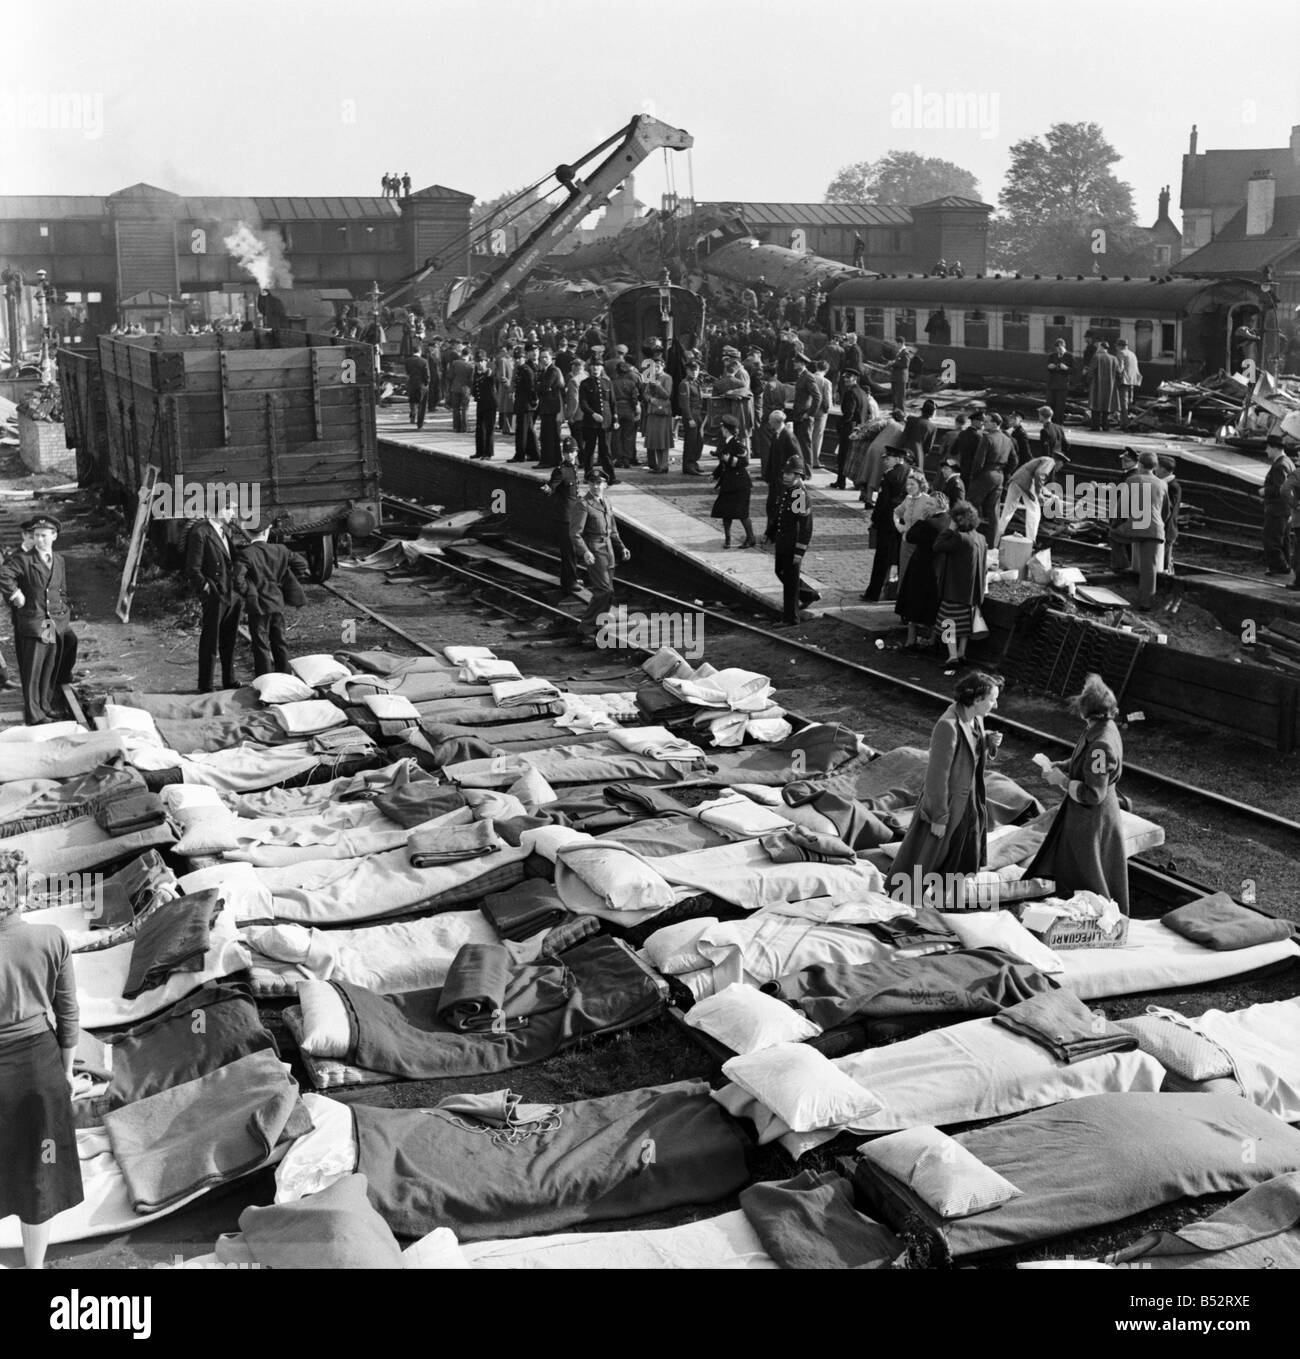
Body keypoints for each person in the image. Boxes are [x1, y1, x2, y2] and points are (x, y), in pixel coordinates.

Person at [0, 857, 84, 1269]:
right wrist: (66, 1073)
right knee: (39, 1173)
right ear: (21, 893)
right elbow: (68, 1015)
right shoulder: (51, 938)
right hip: (40, 1070)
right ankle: (34, 1267)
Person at [888, 670, 1003, 904]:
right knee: (929, 856)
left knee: (962, 854)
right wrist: (938, 816)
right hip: (948, 804)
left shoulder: (975, 718)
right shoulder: (947, 726)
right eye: (992, 699)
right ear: (977, 699)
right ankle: (904, 900)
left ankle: (945, 902)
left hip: (969, 801)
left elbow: (970, 747)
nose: (996, 705)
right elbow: (937, 776)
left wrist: (988, 741)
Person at [1024, 673, 1129, 914]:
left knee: (1087, 874)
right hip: (1086, 817)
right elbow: (1087, 763)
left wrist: (1062, 780)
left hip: (1091, 820)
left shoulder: (1101, 744)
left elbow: (1093, 793)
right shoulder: (1103, 729)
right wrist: (1064, 765)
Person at [0, 515, 77, 724]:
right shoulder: (23, 559)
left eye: (43, 535)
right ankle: (34, 715)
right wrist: (15, 593)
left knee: (47, 666)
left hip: (50, 622)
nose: (39, 540)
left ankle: (44, 706)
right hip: (34, 621)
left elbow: (61, 589)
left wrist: (62, 610)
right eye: (36, 535)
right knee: (33, 669)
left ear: (54, 536)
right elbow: (3, 574)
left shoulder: (58, 560)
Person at [232, 522, 307, 677]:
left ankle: (265, 678)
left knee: (260, 645)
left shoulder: (246, 554)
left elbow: (237, 579)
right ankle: (285, 676)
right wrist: (286, 578)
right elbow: (301, 564)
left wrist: (248, 592)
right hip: (277, 602)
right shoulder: (281, 550)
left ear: (248, 534)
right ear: (266, 532)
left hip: (258, 605)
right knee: (280, 642)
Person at [184, 495, 242, 692]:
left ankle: (229, 679)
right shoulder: (200, 532)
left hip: (231, 593)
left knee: (229, 639)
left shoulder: (225, 531)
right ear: (218, 511)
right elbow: (193, 568)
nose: (233, 513)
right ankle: (206, 684)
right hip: (216, 594)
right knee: (210, 640)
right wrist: (207, 588)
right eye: (229, 509)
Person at [570, 471, 628, 641]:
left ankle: (598, 624)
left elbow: (613, 529)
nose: (595, 486)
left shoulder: (607, 502)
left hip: (608, 550)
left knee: (609, 592)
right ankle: (585, 627)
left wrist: (621, 547)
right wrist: (585, 551)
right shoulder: (583, 504)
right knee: (603, 590)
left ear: (605, 485)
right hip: (595, 550)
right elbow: (575, 533)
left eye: (598, 483)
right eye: (592, 483)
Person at [933, 499, 988, 674]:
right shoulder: (981, 538)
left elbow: (937, 546)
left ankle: (952, 656)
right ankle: (962, 653)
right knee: (964, 624)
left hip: (954, 590)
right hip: (972, 592)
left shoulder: (959, 538)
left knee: (948, 622)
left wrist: (949, 529)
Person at [1110, 448, 1169, 610]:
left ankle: (1121, 567)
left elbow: (1122, 507)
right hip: (1155, 530)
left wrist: (1115, 525)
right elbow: (1166, 511)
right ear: (1155, 467)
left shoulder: (1132, 480)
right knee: (1149, 568)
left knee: (1114, 535)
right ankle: (1145, 603)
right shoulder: (1163, 484)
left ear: (1140, 465)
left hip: (1135, 527)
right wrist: (1158, 525)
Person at [896, 492, 951, 651]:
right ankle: (932, 640)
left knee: (913, 603)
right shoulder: (949, 521)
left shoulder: (928, 523)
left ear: (939, 506)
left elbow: (910, 537)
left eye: (930, 504)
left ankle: (911, 640)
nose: (927, 506)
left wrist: (921, 519)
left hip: (921, 566)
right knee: (933, 605)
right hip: (940, 567)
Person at [863, 446, 910, 602]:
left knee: (882, 559)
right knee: (898, 557)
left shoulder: (890, 475)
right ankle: (894, 591)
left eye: (888, 459)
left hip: (887, 521)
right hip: (903, 520)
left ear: (897, 458)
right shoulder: (910, 472)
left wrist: (875, 520)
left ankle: (874, 592)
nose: (885, 462)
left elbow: (882, 501)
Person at [995, 448, 1069, 547]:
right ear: (1059, 462)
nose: (1060, 468)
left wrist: (1050, 495)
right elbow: (1039, 474)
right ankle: (1031, 540)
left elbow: (1039, 479)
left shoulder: (1043, 459)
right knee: (1034, 510)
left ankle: (998, 534)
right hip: (1026, 483)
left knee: (1008, 509)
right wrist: (1039, 494)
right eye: (1061, 465)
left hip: (1016, 480)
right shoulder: (1050, 462)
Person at [771, 455, 813, 626]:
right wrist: (769, 533)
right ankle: (809, 595)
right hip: (783, 540)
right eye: (785, 473)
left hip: (791, 544)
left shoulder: (799, 494)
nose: (785, 476)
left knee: (790, 582)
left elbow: (804, 527)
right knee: (780, 571)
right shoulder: (790, 490)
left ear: (798, 475)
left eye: (789, 474)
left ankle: (791, 618)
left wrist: (799, 551)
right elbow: (781, 515)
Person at [541, 436, 583, 594]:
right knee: (568, 551)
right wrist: (548, 489)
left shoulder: (574, 467)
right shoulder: (561, 470)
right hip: (565, 517)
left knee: (573, 549)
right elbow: (553, 485)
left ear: (576, 452)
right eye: (566, 453)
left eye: (571, 452)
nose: (569, 455)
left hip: (574, 515)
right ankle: (569, 582)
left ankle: (572, 576)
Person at [968, 412, 1014, 547]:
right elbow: (1014, 460)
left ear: (994, 424)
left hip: (986, 474)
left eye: (987, 421)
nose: (984, 423)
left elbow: (979, 461)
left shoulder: (987, 438)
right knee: (994, 511)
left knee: (970, 506)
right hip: (999, 475)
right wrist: (1005, 472)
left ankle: (969, 538)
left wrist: (974, 476)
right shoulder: (1007, 440)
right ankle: (993, 544)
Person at [710, 415, 755, 550]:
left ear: (726, 429)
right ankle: (728, 539)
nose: (721, 430)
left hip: (739, 484)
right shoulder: (726, 443)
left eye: (723, 428)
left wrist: (730, 460)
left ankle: (750, 538)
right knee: (725, 512)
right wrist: (715, 475)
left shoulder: (737, 444)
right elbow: (722, 463)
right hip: (728, 483)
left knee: (742, 513)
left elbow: (744, 462)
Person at [763, 410, 805, 540]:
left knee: (780, 506)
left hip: (783, 479)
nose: (769, 422)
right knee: (772, 505)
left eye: (770, 421)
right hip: (775, 478)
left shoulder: (788, 436)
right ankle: (771, 532)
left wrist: (797, 476)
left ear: (776, 422)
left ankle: (775, 533)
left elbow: (797, 457)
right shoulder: (777, 434)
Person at [834, 368, 876, 491]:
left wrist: (840, 424)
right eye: (845, 377)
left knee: (843, 456)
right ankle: (856, 483)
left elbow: (849, 413)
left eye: (849, 377)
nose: (846, 380)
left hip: (850, 427)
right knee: (855, 457)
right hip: (859, 428)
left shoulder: (850, 393)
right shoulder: (862, 392)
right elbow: (867, 413)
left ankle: (841, 481)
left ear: (855, 378)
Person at [578, 356, 618, 483]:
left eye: (598, 366)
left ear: (602, 368)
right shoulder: (585, 383)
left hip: (606, 421)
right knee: (589, 450)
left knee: (606, 450)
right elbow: (583, 403)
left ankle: (610, 476)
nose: (595, 368)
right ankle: (588, 475)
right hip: (590, 422)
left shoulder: (607, 382)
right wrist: (592, 414)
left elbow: (612, 402)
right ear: (590, 368)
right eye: (593, 366)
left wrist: (615, 419)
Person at [893, 468, 937, 583]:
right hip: (905, 542)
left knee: (916, 575)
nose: (909, 487)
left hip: (919, 544)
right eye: (907, 484)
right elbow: (896, 512)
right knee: (903, 572)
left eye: (912, 484)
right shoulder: (907, 499)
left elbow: (931, 520)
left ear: (920, 485)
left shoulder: (928, 500)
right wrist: (898, 525)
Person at [1261, 435, 1295, 576]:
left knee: (1271, 539)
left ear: (1274, 448)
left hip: (1277, 509)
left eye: (1268, 447)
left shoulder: (1280, 465)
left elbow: (1280, 488)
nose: (1266, 451)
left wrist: (1265, 491)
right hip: (1286, 508)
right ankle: (1285, 565)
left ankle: (1279, 567)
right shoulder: (1288, 462)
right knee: (1283, 539)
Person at [610, 355, 643, 467]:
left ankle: (618, 458)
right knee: (629, 436)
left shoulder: (612, 383)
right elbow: (635, 399)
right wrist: (635, 410)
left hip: (616, 410)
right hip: (629, 410)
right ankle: (627, 459)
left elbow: (611, 399)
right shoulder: (632, 383)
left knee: (617, 435)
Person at [535, 347, 565, 469]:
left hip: (551, 407)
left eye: (546, 357)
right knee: (549, 434)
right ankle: (555, 459)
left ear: (551, 358)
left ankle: (547, 460)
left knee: (548, 435)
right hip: (546, 406)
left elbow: (544, 387)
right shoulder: (544, 371)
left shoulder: (553, 371)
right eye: (541, 357)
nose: (543, 359)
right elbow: (540, 386)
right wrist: (540, 386)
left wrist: (539, 385)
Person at [642, 358, 674, 473]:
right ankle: (659, 465)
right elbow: (645, 393)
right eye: (654, 366)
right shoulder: (651, 377)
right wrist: (650, 399)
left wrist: (658, 386)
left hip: (663, 411)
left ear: (663, 366)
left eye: (658, 366)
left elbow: (667, 395)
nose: (655, 369)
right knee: (655, 439)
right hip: (653, 410)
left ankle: (663, 465)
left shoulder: (667, 378)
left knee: (663, 439)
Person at [510, 344, 539, 462]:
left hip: (525, 404)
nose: (517, 360)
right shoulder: (520, 369)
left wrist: (533, 401)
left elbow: (532, 388)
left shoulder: (526, 370)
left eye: (519, 358)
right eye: (515, 358)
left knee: (522, 431)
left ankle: (520, 455)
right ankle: (534, 453)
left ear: (524, 357)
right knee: (529, 430)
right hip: (522, 403)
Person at [677, 358, 706, 474]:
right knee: (690, 442)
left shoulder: (697, 382)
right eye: (692, 370)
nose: (694, 372)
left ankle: (694, 462)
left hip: (698, 414)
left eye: (697, 370)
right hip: (691, 414)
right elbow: (684, 403)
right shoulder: (685, 384)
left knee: (699, 441)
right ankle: (688, 465)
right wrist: (689, 418)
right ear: (687, 370)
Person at [1087, 341, 1121, 432]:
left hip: (1097, 385)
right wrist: (1116, 383)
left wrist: (1088, 382)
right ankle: (1106, 426)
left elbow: (1091, 372)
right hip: (1110, 386)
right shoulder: (1114, 358)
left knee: (1096, 406)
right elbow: (1119, 373)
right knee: (1107, 406)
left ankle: (1096, 426)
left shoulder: (1096, 357)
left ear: (1101, 347)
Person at [1156, 454, 1181, 577]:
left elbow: (1167, 510)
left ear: (1163, 470)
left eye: (1157, 467)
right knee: (1162, 560)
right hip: (1166, 529)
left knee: (1163, 562)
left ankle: (1165, 579)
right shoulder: (1169, 485)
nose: (1155, 470)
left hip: (1166, 529)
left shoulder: (1171, 486)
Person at [471, 353, 497, 459]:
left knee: (489, 429)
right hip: (481, 402)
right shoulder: (476, 373)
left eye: (482, 361)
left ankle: (488, 453)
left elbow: (491, 378)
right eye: (478, 361)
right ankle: (479, 451)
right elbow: (475, 387)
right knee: (479, 428)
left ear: (486, 361)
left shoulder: (489, 372)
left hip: (490, 403)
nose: (480, 363)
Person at [810, 358, 834, 470]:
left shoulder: (809, 377)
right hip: (820, 413)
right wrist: (827, 410)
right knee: (817, 436)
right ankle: (815, 460)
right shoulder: (826, 382)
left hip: (808, 411)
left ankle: (806, 458)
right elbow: (827, 400)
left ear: (816, 367)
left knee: (807, 435)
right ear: (826, 370)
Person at [900, 398, 937, 468]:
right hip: (918, 454)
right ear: (932, 413)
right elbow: (928, 448)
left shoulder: (911, 419)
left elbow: (903, 437)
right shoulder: (932, 427)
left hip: (904, 450)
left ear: (922, 410)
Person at [446, 345, 474, 434]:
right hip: (466, 389)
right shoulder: (471, 366)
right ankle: (464, 427)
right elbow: (471, 380)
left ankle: (456, 427)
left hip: (455, 387)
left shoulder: (454, 363)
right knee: (465, 409)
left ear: (461, 354)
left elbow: (449, 376)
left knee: (456, 408)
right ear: (469, 355)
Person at [1114, 338, 1141, 426]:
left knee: (1123, 402)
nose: (1116, 348)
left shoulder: (1121, 353)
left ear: (1120, 346)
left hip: (1124, 381)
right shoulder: (1132, 354)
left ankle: (1125, 423)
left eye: (1117, 346)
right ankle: (1129, 420)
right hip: (1132, 380)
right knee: (1130, 401)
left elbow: (1120, 368)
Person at [1045, 339, 1073, 424]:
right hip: (1052, 383)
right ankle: (1051, 422)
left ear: (1064, 347)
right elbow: (1047, 366)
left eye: (1060, 348)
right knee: (1051, 403)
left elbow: (1074, 370)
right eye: (1057, 348)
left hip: (1062, 385)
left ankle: (1059, 422)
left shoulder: (1069, 356)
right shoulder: (1052, 356)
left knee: (1060, 405)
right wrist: (1049, 366)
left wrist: (1066, 368)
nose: (1058, 350)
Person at [404, 348, 431, 429]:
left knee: (412, 400)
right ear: (420, 352)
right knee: (422, 404)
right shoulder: (424, 361)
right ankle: (420, 423)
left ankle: (413, 414)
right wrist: (427, 383)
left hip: (411, 383)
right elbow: (427, 374)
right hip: (421, 384)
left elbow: (407, 372)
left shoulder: (408, 361)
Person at [495, 345, 516, 435]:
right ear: (509, 350)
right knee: (506, 408)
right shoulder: (503, 360)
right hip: (506, 389)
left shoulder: (514, 360)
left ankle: (511, 427)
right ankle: (506, 428)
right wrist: (509, 385)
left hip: (513, 388)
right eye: (513, 349)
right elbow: (501, 376)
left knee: (512, 408)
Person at [890, 344, 911, 410]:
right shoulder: (899, 352)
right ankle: (895, 410)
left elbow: (906, 364)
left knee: (900, 396)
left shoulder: (905, 353)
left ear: (900, 343)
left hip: (901, 378)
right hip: (895, 377)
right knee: (895, 395)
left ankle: (901, 410)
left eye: (896, 343)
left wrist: (894, 363)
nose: (895, 345)